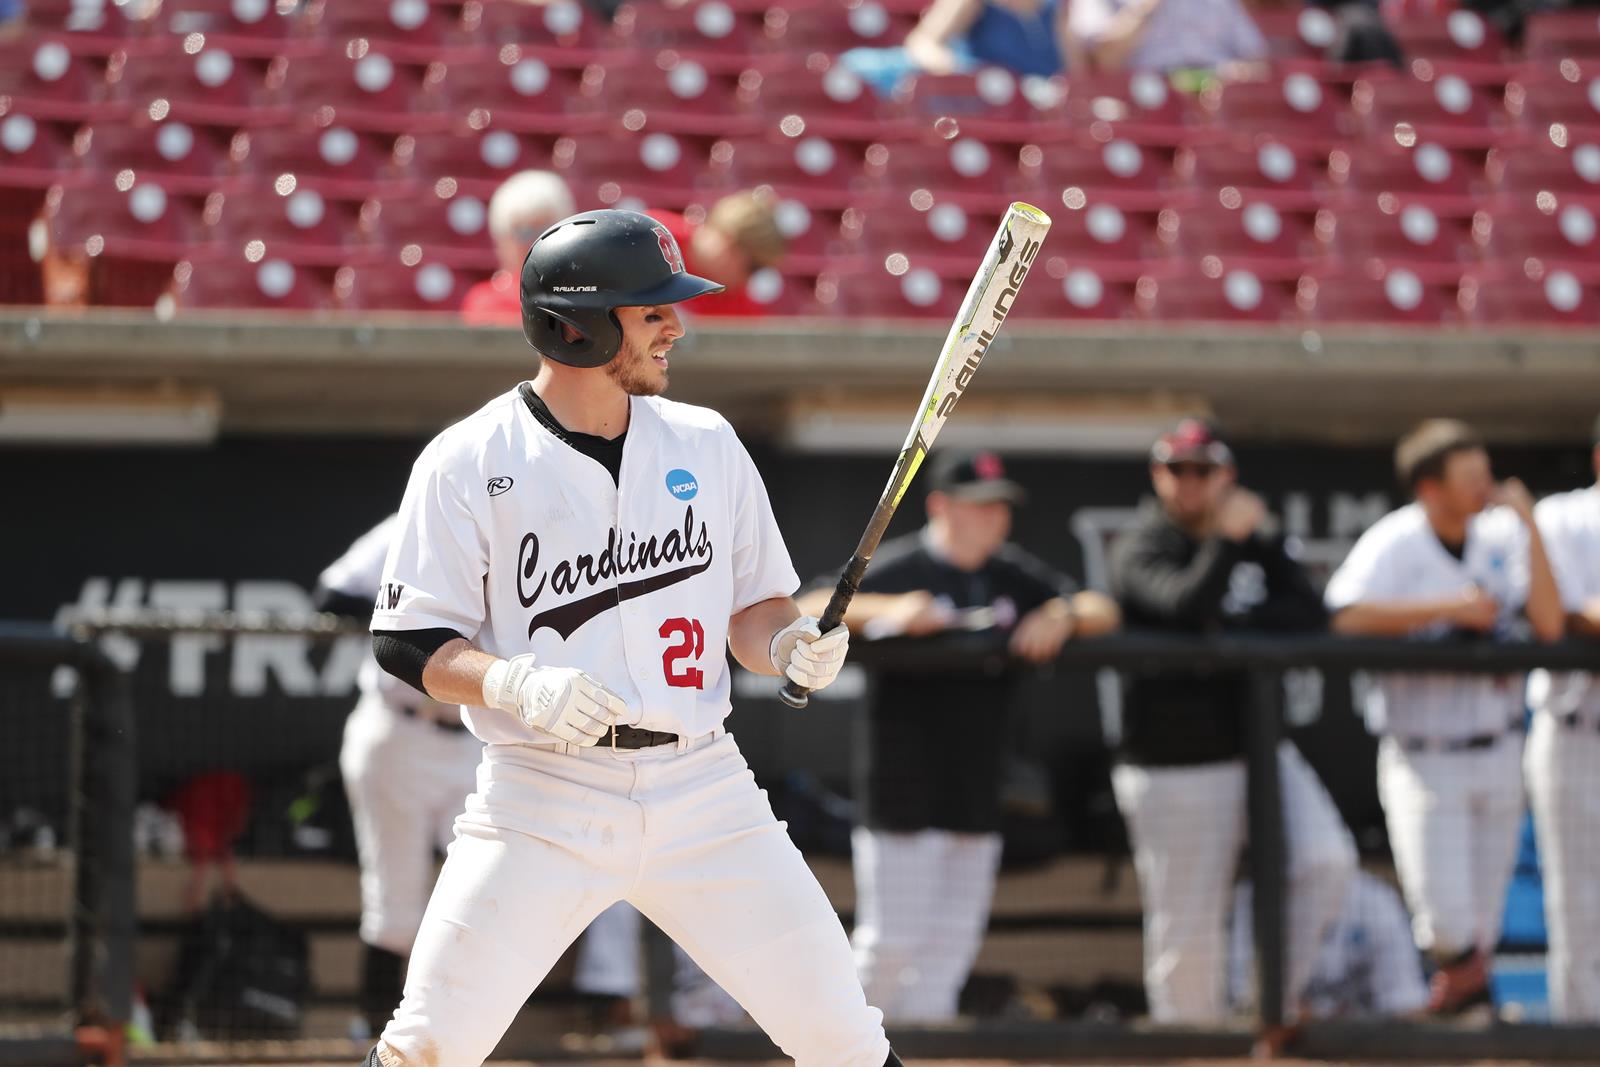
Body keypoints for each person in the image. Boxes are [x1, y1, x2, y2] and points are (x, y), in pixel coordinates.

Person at [362, 208, 901, 1067]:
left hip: (705, 786)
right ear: (575, 327)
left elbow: (754, 612)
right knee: (429, 1042)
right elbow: (407, 638)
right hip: (543, 792)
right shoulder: (468, 459)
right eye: (651, 312)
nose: (675, 327)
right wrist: (515, 685)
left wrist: (792, 643)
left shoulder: (707, 442)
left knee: (843, 1037)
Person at [798, 451, 1120, 1022]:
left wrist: (1063, 615)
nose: (995, 518)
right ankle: (837, 1050)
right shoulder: (901, 565)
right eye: (980, 506)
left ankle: (923, 1053)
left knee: (951, 946)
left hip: (977, 785)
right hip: (902, 785)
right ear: (941, 506)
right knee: (889, 943)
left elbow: (1102, 609)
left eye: (1001, 507)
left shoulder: (1009, 573)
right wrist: (891, 609)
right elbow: (807, 606)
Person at [315, 516, 640, 1039]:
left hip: (476, 735)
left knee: (493, 882)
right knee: (396, 897)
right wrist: (415, 609)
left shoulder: (535, 532)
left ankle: (467, 1029)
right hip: (398, 731)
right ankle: (375, 1028)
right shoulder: (418, 524)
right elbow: (332, 596)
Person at [1109, 418, 1356, 1030]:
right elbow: (1186, 607)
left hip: (1257, 745)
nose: (1190, 483)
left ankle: (1263, 1004)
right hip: (1176, 761)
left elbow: (1309, 613)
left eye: (1204, 470)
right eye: (1177, 469)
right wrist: (1225, 542)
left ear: (1227, 476)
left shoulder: (1255, 536)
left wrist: (1242, 600)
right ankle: (1189, 1048)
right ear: (1157, 475)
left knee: (1327, 861)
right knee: (1188, 929)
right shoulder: (1142, 541)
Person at [1325, 418, 1563, 1014]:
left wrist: (1530, 523)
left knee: (1482, 921)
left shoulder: (1503, 535)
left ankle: (1466, 1023)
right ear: (1431, 488)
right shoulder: (1397, 540)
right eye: (1471, 478)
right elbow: (1341, 615)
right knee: (1446, 924)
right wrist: (1443, 609)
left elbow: (1551, 626)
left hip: (1499, 746)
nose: (1487, 487)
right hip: (1425, 750)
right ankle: (1462, 1004)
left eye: (1486, 474)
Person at [1524, 414, 1600, 1023]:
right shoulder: (1563, 517)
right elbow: (1570, 615)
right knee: (1579, 906)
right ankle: (1581, 1041)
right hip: (1579, 734)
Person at [1227, 871, 1429, 1021]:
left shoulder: (1375, 899)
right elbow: (1243, 1004)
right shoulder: (1252, 899)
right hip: (1286, 1051)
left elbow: (1407, 1007)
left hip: (1361, 1051)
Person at [839, 0, 1068, 97]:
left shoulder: (1058, 9)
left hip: (1028, 107)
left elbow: (1072, 72)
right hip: (970, 97)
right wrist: (969, 77)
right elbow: (922, 44)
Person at [459, 170, 576, 325]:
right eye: (523, 233)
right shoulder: (485, 301)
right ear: (503, 240)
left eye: (546, 231)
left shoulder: (583, 293)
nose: (536, 241)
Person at [648, 190, 787, 317]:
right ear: (729, 245)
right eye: (754, 267)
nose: (750, 279)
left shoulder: (739, 308)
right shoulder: (651, 235)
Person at [1065, 0, 1266, 74]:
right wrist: (1146, 7)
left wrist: (1239, 72)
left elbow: (1257, 58)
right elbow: (1102, 60)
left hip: (1214, 93)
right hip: (1145, 97)